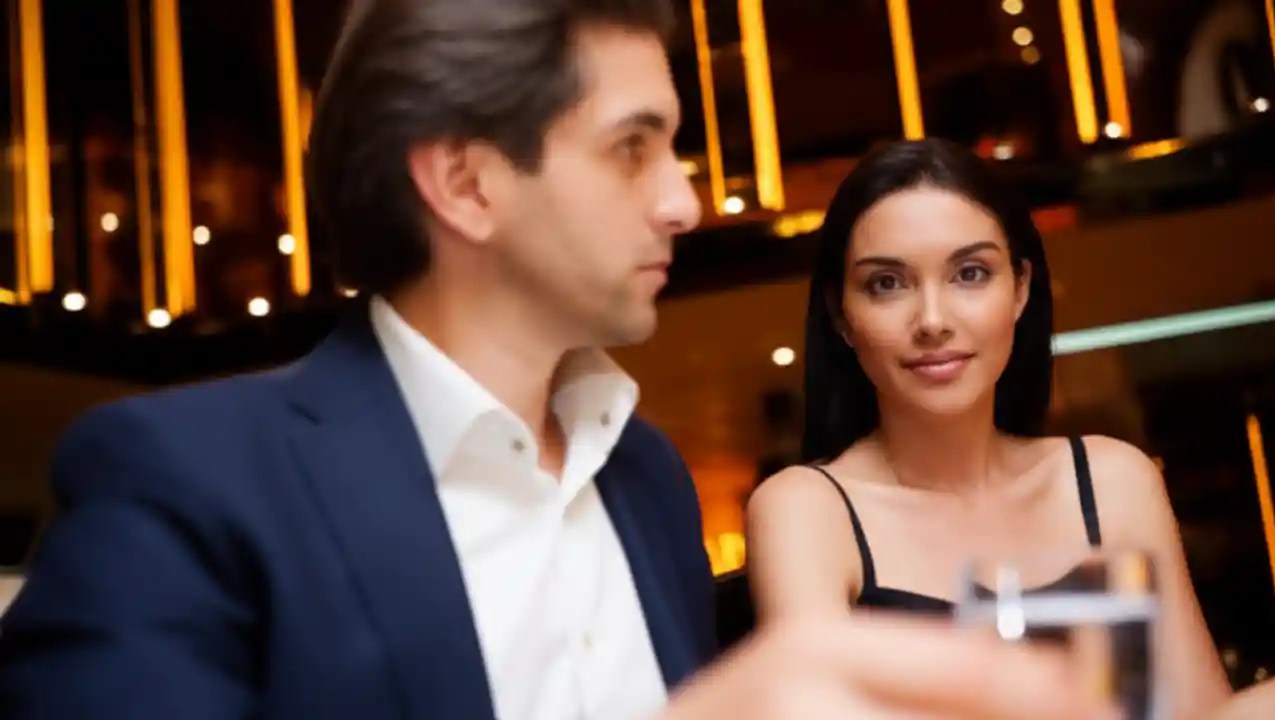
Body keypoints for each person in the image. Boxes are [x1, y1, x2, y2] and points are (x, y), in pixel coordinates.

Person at [1, 2, 1123, 719]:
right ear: (465, 182)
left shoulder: (645, 482)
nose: (685, 198)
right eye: (633, 148)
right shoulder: (183, 482)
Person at [746, 138, 1234, 718]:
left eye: (970, 273)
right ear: (840, 315)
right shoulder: (806, 510)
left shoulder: (1109, 480)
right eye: (887, 284)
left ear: (1021, 288)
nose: (932, 321)